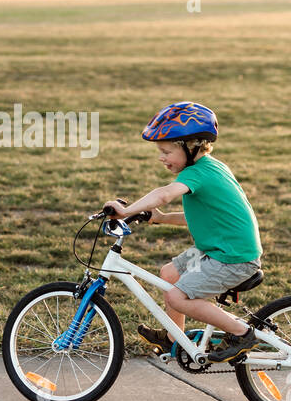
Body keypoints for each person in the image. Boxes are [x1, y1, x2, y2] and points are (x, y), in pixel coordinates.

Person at [103, 101, 265, 363]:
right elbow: (203, 219)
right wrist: (163, 219)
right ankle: (173, 338)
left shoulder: (198, 173)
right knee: (169, 273)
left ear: (191, 147)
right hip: (216, 250)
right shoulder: (207, 168)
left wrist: (126, 210)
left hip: (232, 258)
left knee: (176, 296)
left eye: (167, 151)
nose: (161, 157)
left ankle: (241, 333)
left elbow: (164, 194)